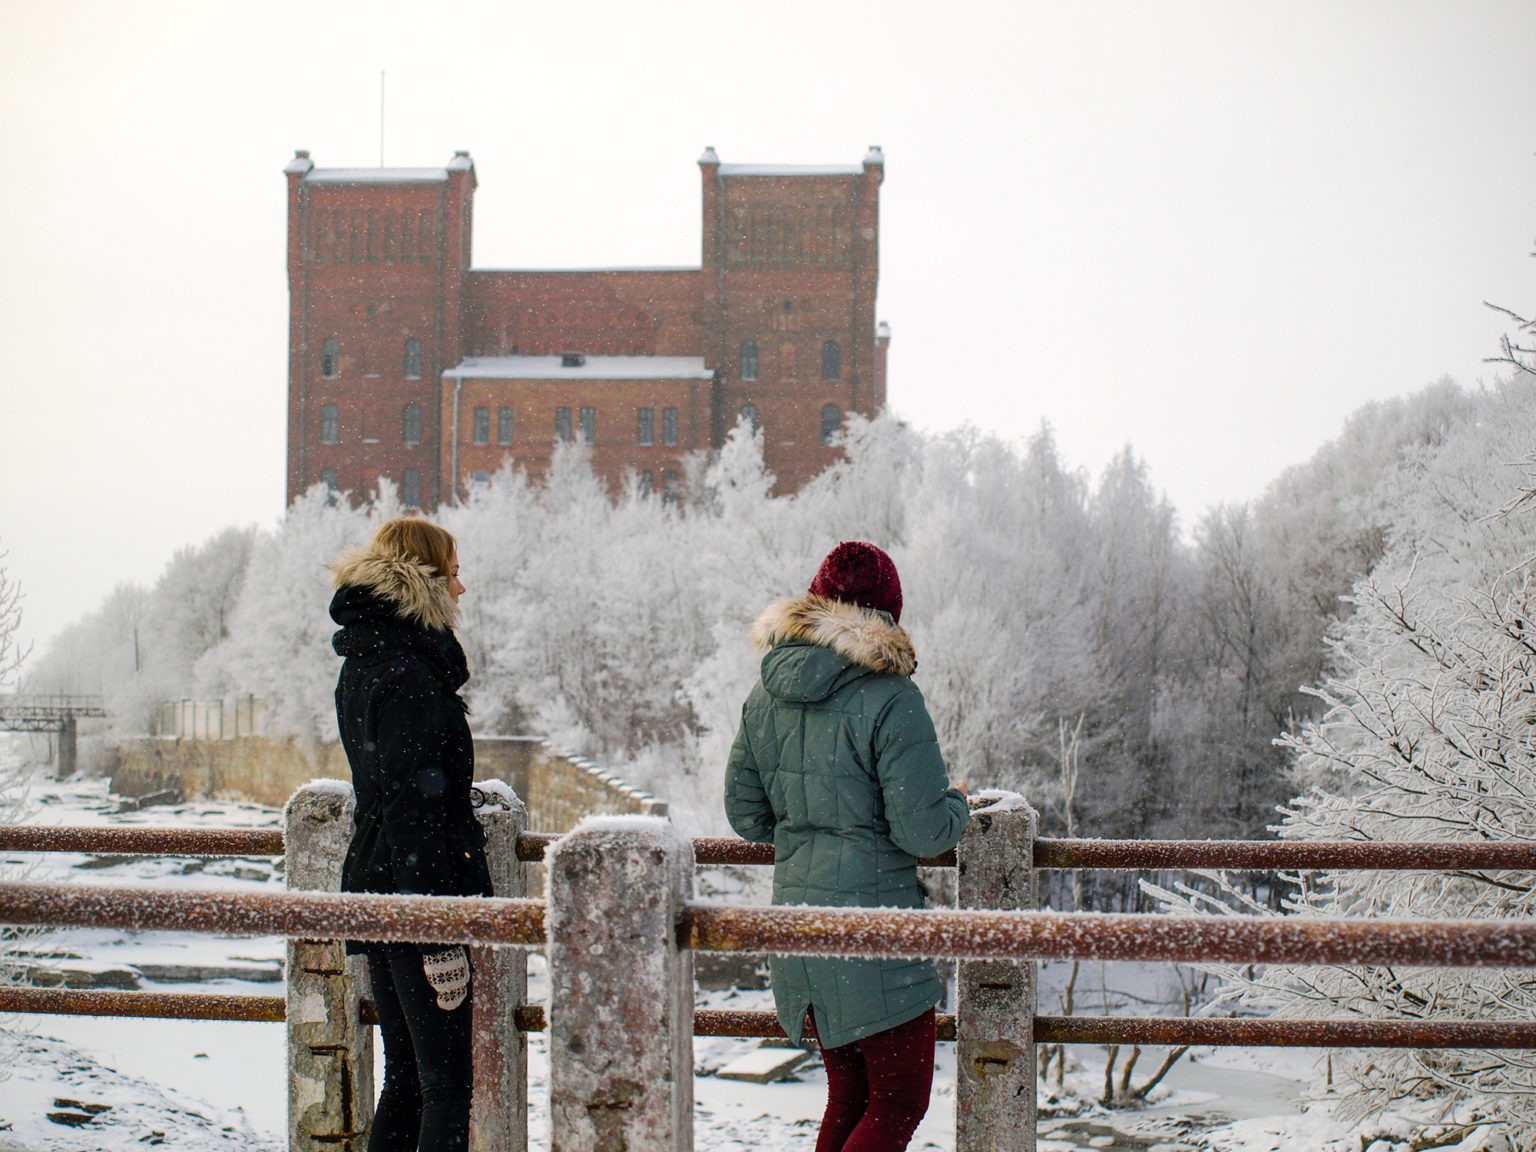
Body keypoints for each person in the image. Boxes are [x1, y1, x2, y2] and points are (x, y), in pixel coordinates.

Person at [724, 540, 969, 1152]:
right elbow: (924, 831)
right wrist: (959, 803)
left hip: (801, 927)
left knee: (852, 1095)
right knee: (899, 1100)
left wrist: (808, 822)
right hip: (874, 930)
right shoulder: (891, 696)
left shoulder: (766, 693)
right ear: (887, 613)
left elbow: (745, 814)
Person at [329, 517, 491, 1152]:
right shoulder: (409, 673)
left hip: (378, 889)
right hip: (413, 896)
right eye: (453, 571)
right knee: (445, 1087)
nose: (462, 587)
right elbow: (411, 809)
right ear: (425, 578)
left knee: (408, 1080)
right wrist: (436, 932)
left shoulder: (368, 658)